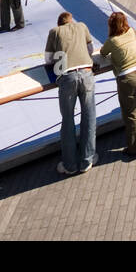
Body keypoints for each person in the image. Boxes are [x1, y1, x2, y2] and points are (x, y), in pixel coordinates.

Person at [44, 11, 97, 173]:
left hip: (66, 77)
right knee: (89, 117)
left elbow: (48, 59)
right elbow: (91, 48)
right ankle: (87, 159)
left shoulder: (54, 32)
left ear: (60, 23)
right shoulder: (82, 26)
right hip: (87, 73)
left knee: (67, 120)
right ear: (71, 20)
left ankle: (70, 165)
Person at [98, 12, 136, 158]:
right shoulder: (131, 32)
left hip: (126, 79)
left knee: (131, 114)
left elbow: (102, 53)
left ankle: (134, 148)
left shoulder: (112, 41)